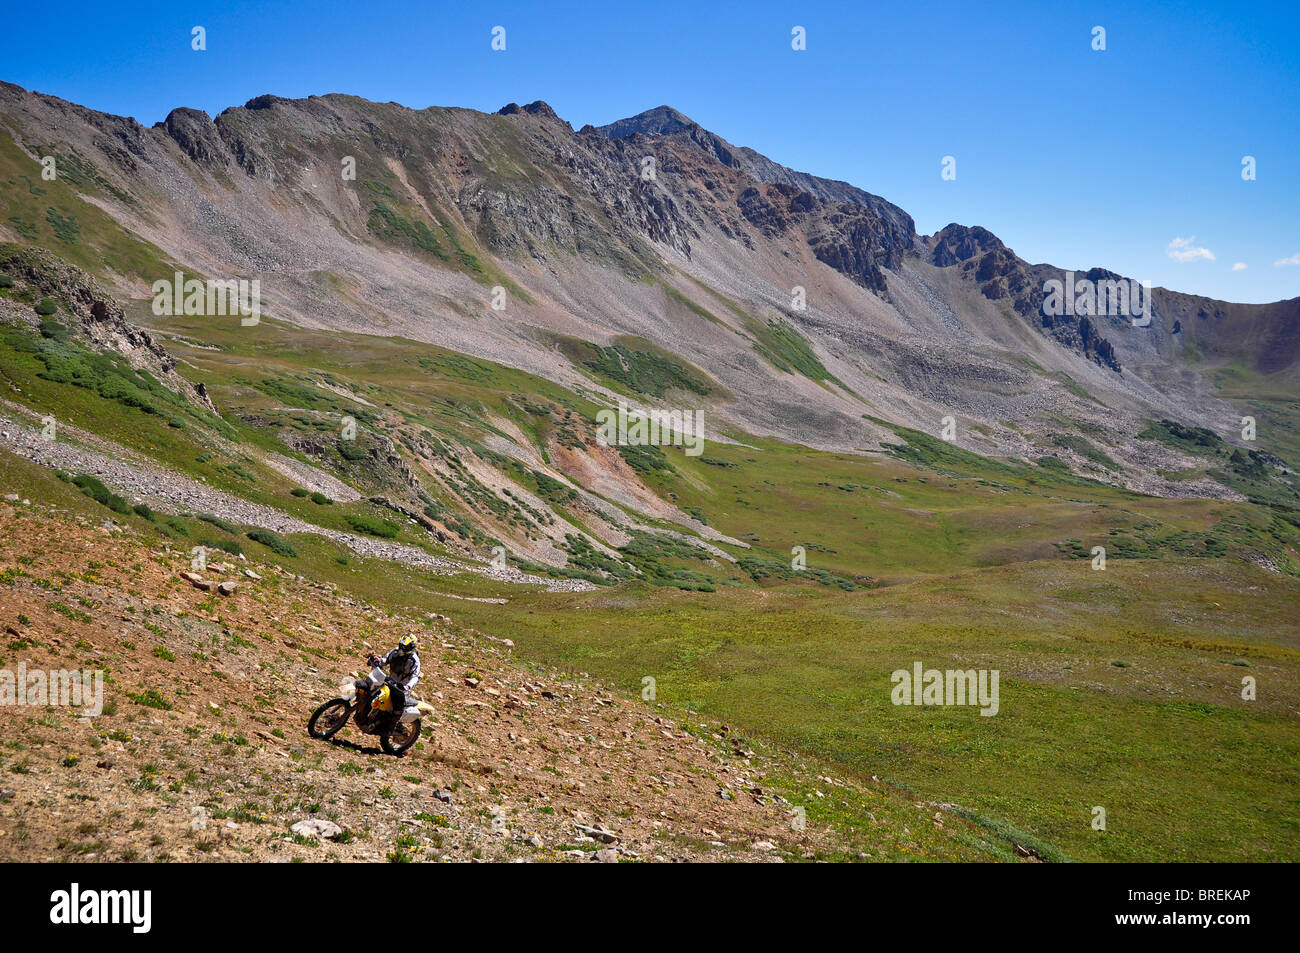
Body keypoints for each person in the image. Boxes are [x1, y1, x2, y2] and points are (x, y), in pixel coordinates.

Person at [369, 634, 420, 726]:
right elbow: (385, 660)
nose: (402, 648)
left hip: (402, 688)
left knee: (395, 709)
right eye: (401, 645)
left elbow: (415, 676)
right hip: (389, 681)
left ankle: (388, 731)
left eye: (405, 646)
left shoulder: (414, 660)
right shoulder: (395, 651)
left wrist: (407, 686)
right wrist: (378, 661)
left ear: (411, 646)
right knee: (372, 691)